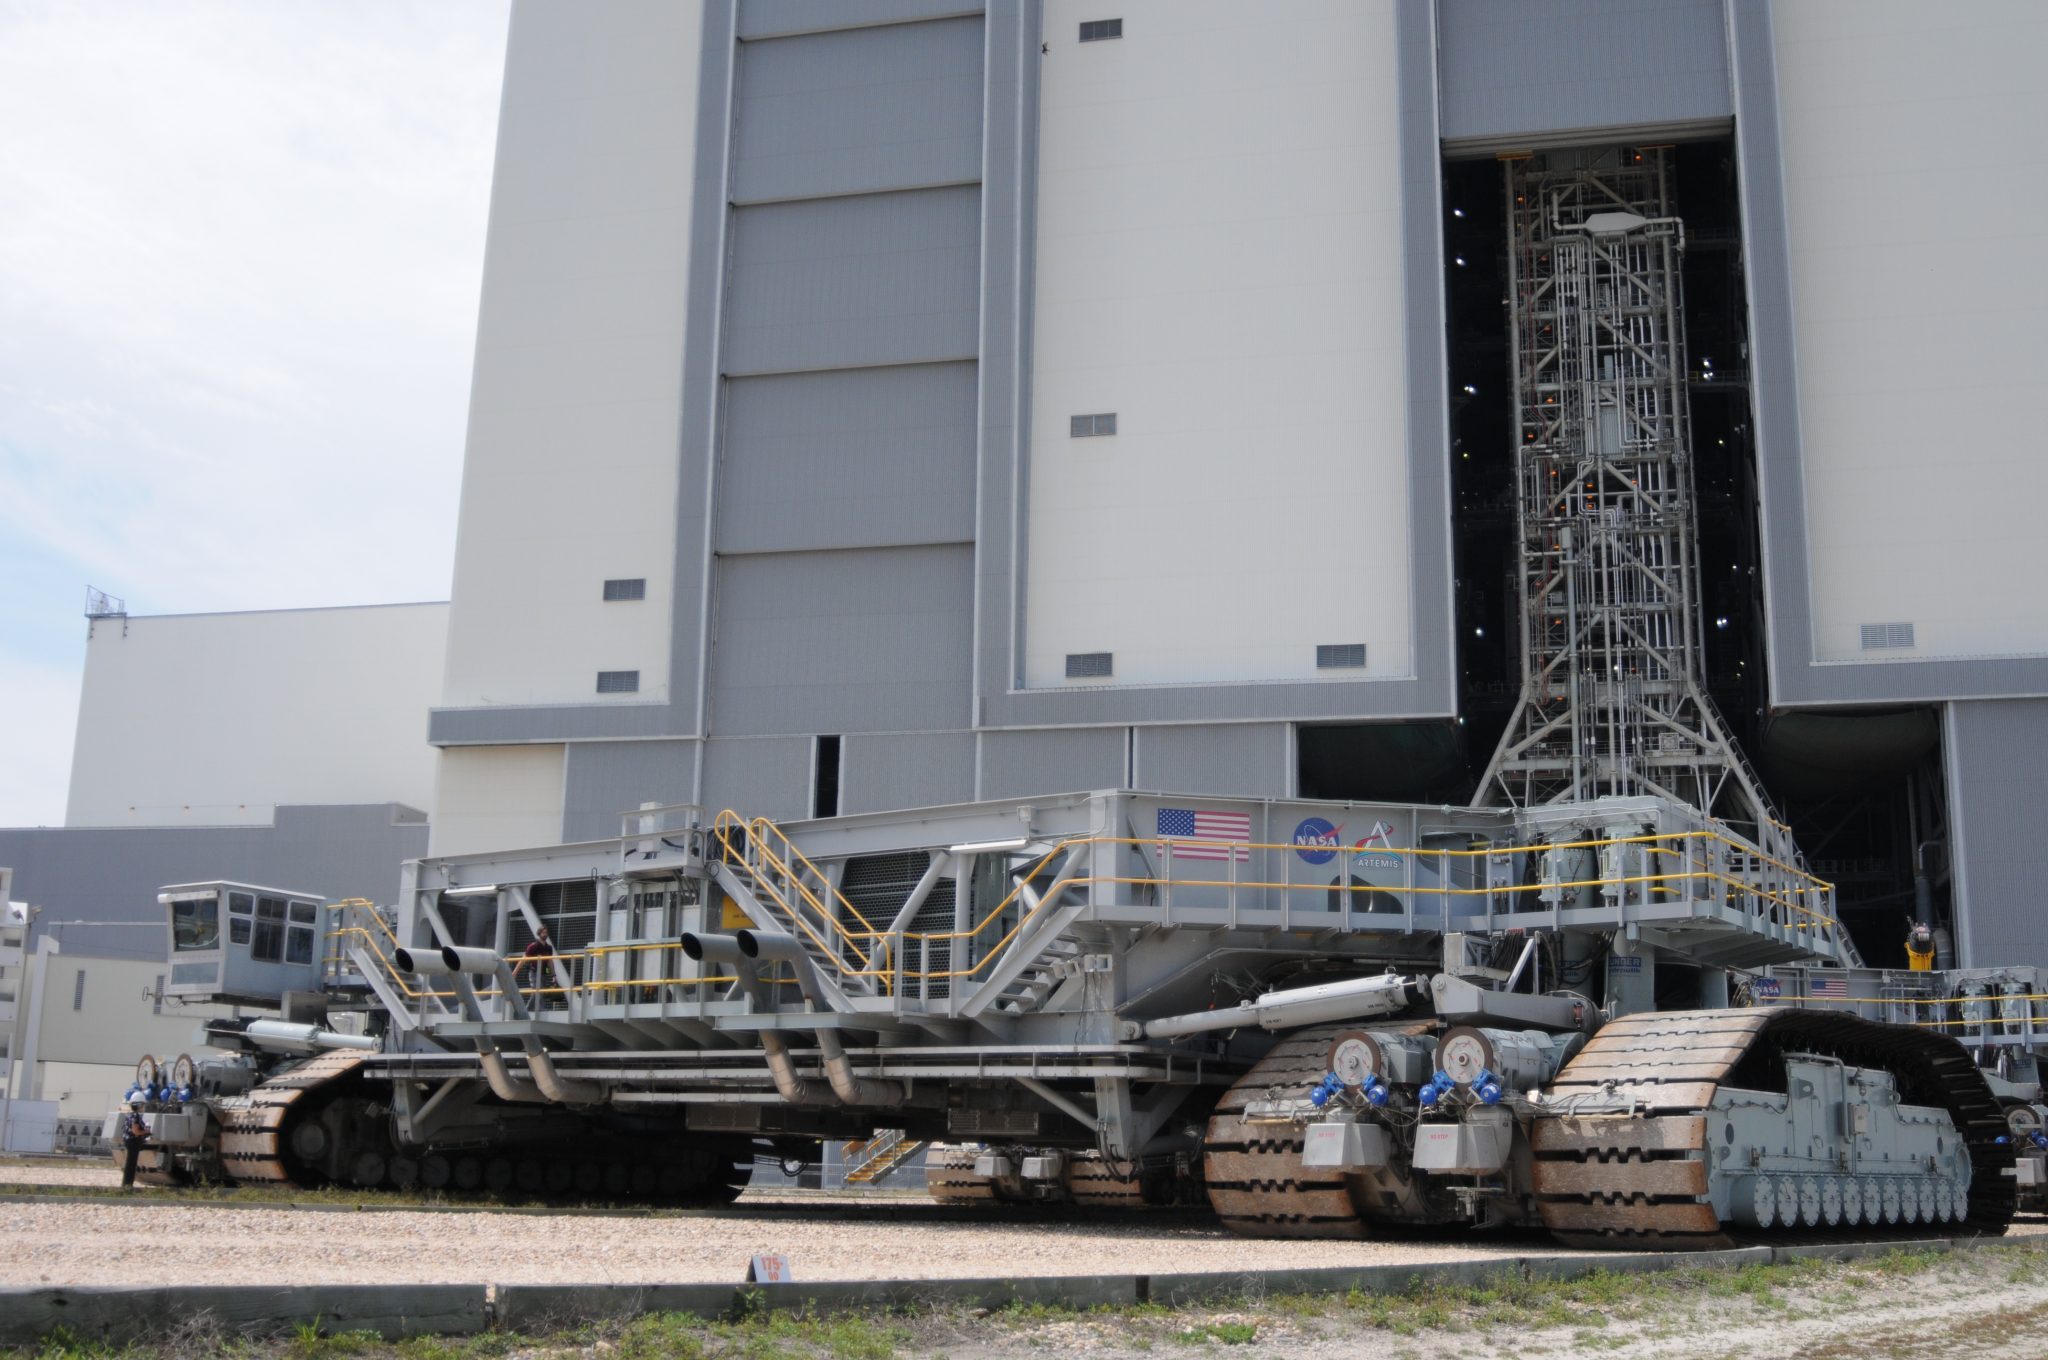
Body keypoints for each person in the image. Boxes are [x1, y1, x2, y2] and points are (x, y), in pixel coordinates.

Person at [513, 924, 555, 992]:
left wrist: (553, 975)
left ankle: (529, 1003)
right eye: (543, 933)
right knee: (537, 993)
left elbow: (549, 962)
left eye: (546, 933)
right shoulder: (533, 946)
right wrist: (515, 973)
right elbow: (523, 959)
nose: (545, 934)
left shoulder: (548, 948)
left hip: (543, 973)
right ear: (539, 933)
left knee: (539, 994)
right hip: (534, 973)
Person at [119, 1106, 151, 1189]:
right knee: (131, 1164)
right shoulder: (136, 1116)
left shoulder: (129, 1114)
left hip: (128, 1140)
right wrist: (146, 1132)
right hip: (133, 1141)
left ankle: (126, 1183)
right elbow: (135, 1131)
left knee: (129, 1163)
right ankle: (128, 1184)